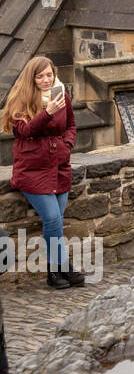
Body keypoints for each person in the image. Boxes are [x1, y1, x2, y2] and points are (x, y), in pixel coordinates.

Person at [1, 56, 83, 288]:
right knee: (53, 218)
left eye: (49, 75)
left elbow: (71, 126)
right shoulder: (20, 100)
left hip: (59, 167)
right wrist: (47, 112)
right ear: (32, 78)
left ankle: (59, 270)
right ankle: (59, 269)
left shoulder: (61, 96)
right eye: (40, 76)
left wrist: (67, 146)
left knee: (56, 221)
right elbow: (24, 131)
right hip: (32, 170)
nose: (46, 80)